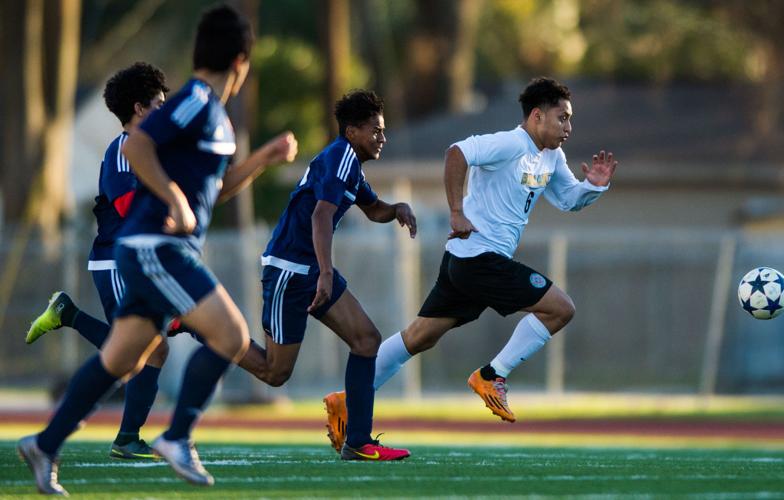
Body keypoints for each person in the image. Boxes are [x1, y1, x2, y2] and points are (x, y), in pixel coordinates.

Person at [18, 5, 297, 494]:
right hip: (156, 246)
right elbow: (135, 146)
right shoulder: (195, 101)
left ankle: (45, 444)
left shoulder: (211, 114)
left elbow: (217, 187)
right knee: (230, 335)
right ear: (241, 60)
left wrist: (263, 158)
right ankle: (177, 435)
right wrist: (173, 202)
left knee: (122, 357)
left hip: (153, 247)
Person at [323, 77, 617, 449]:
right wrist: (457, 212)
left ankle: (348, 399)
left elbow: (568, 200)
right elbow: (456, 153)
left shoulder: (551, 157)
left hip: (465, 261)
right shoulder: (510, 143)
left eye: (570, 120)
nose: (569, 128)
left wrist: (593, 186)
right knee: (560, 308)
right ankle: (493, 374)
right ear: (538, 116)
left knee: (419, 337)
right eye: (563, 118)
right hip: (480, 258)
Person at [234, 90, 414, 461]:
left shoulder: (348, 162)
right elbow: (320, 216)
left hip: (310, 269)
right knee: (274, 373)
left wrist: (397, 208)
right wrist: (327, 273)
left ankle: (358, 442)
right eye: (375, 131)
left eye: (383, 131)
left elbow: (373, 208)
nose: (382, 137)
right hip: (290, 269)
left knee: (366, 340)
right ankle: (207, 327)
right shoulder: (340, 159)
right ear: (351, 132)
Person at [25, 62, 172, 461]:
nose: (165, 109)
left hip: (141, 260)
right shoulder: (125, 150)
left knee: (149, 349)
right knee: (142, 348)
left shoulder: (151, 149)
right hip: (117, 260)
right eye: (159, 103)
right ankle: (124, 437)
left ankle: (127, 437)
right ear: (140, 108)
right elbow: (127, 206)